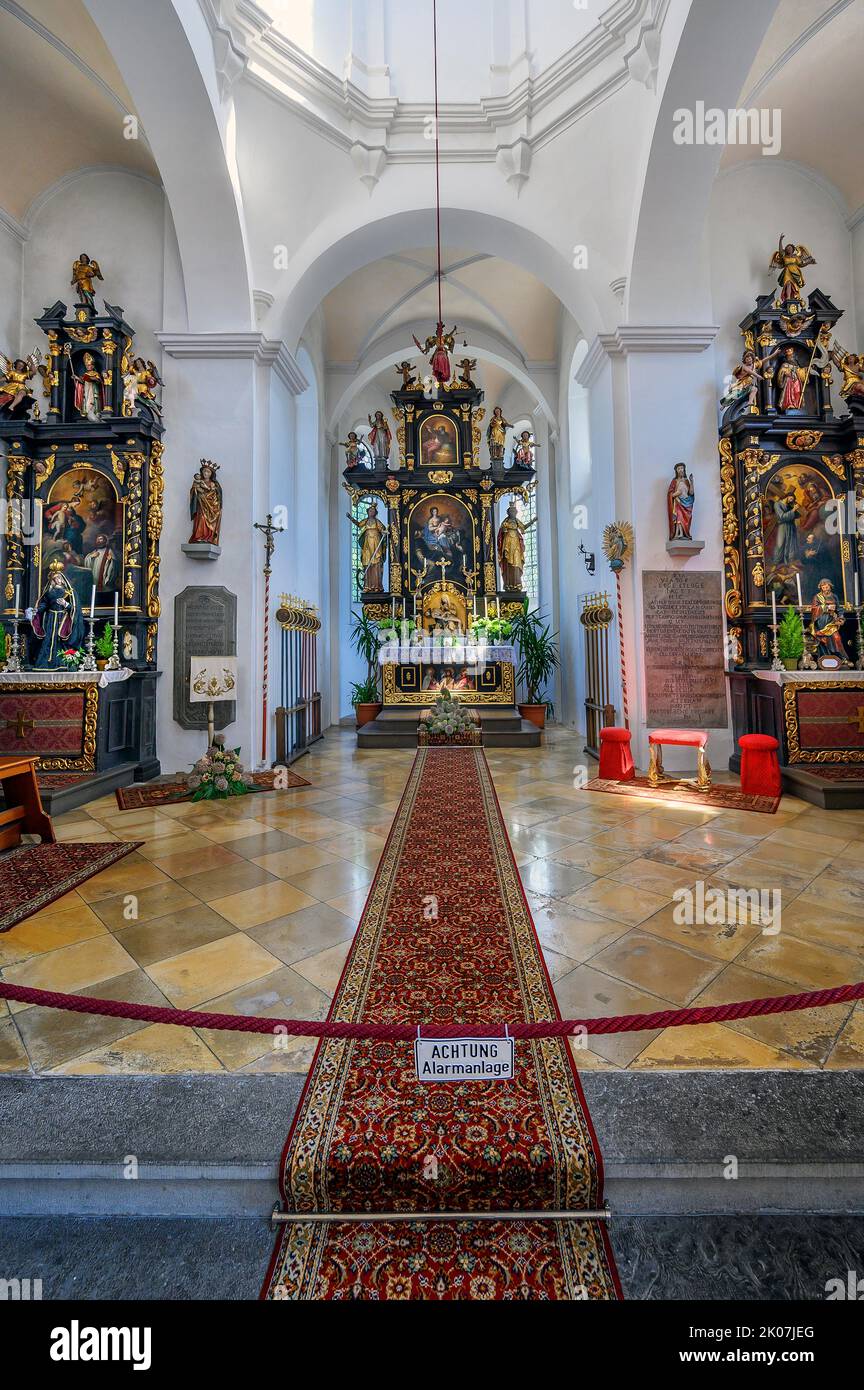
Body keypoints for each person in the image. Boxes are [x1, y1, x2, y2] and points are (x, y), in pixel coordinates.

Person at [27, 560, 85, 668]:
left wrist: (66, 604)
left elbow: (75, 609)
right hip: (50, 619)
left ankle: (62, 662)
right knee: (48, 640)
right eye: (55, 578)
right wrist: (37, 610)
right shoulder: (49, 592)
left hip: (62, 620)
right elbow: (44, 605)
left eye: (59, 578)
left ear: (63, 579)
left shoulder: (70, 592)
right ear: (52, 580)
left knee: (60, 640)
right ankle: (46, 663)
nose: (57, 580)